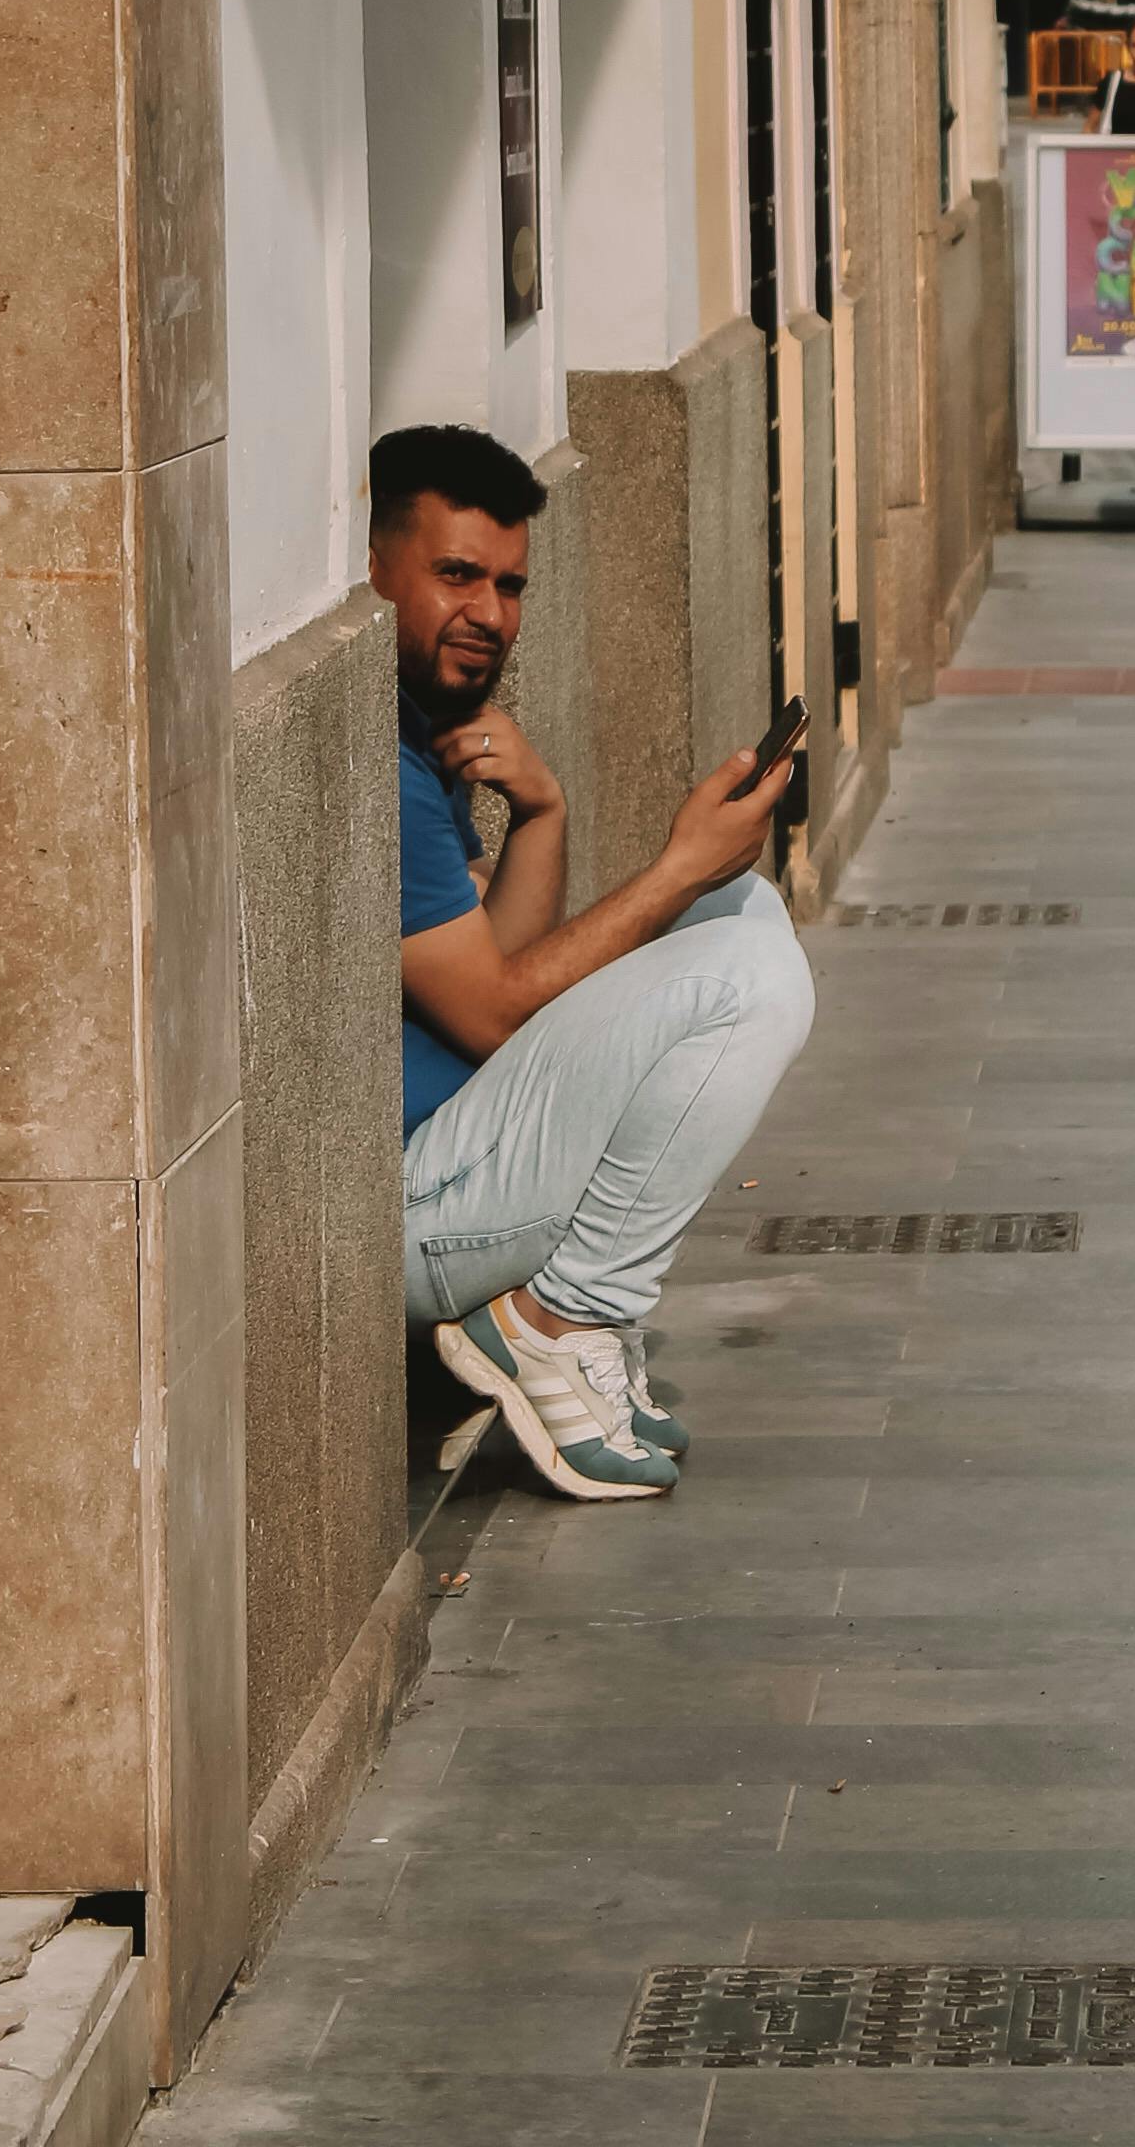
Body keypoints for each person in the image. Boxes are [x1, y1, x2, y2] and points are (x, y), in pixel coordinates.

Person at [372, 422, 814, 1501]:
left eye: (510, 585)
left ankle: (574, 1311)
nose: (488, 614)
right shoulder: (374, 763)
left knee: (743, 913)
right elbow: (490, 1014)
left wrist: (543, 807)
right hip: (406, 1215)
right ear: (369, 567)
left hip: (467, 1157)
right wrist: (673, 868)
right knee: (739, 973)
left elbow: (503, 961)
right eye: (455, 575)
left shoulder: (420, 720)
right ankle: (559, 1314)